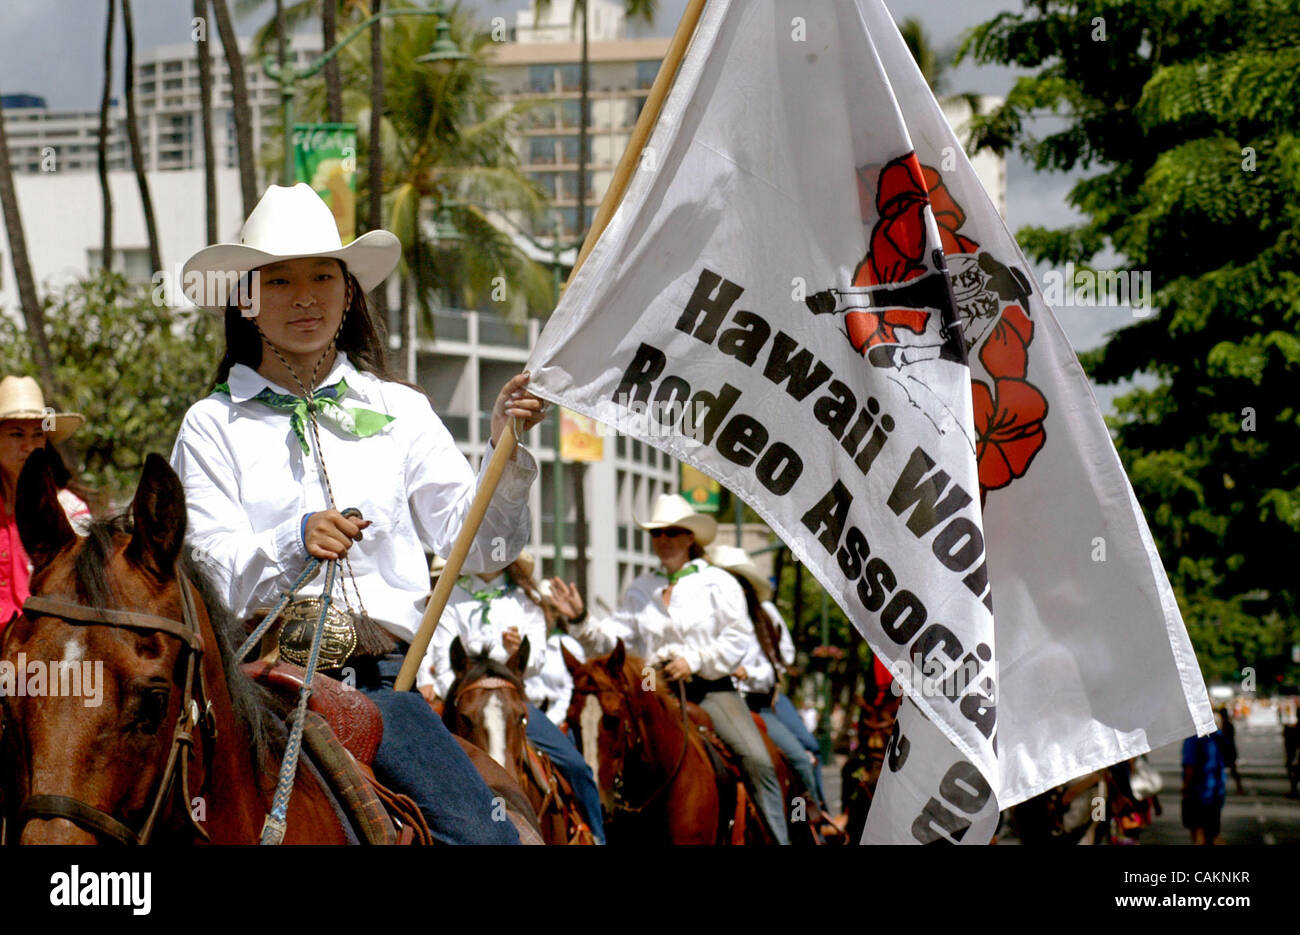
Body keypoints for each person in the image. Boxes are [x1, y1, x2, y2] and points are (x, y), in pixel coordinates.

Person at [171, 183, 547, 845]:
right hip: (259, 692)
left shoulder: (401, 410)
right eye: (280, 280)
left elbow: (478, 548)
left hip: (385, 691)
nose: (306, 295)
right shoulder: (211, 424)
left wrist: (503, 455)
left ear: (349, 294)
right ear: (246, 299)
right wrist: (293, 541)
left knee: (488, 838)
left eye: (323, 275)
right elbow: (201, 568)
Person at [549, 493, 790, 844]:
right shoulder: (641, 588)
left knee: (758, 759)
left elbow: (738, 637)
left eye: (672, 533)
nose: (663, 540)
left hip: (710, 686)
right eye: (657, 534)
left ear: (690, 537)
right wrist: (582, 618)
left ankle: (776, 837)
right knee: (608, 737)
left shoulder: (718, 582)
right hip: (649, 682)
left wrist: (694, 661)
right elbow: (616, 640)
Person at [419, 550, 606, 843]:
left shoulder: (525, 601)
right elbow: (443, 661)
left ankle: (596, 836)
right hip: (463, 700)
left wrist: (515, 653)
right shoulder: (448, 596)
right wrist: (452, 690)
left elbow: (536, 662)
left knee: (576, 766)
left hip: (511, 700)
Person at [705, 543, 826, 811]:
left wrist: (747, 673)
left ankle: (812, 812)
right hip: (712, 700)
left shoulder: (763, 615)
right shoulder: (702, 616)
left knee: (803, 754)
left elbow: (779, 662)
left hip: (757, 703)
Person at [1, 375, 93, 627]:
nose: (29, 446)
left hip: (42, 648)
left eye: (38, 435)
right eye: (17, 435)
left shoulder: (70, 510)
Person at [1181, 728, 1227, 845]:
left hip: (1198, 793)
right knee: (1213, 834)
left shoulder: (1192, 737)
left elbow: (1189, 766)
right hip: (1216, 790)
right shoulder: (1217, 735)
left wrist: (1185, 787)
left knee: (1198, 834)